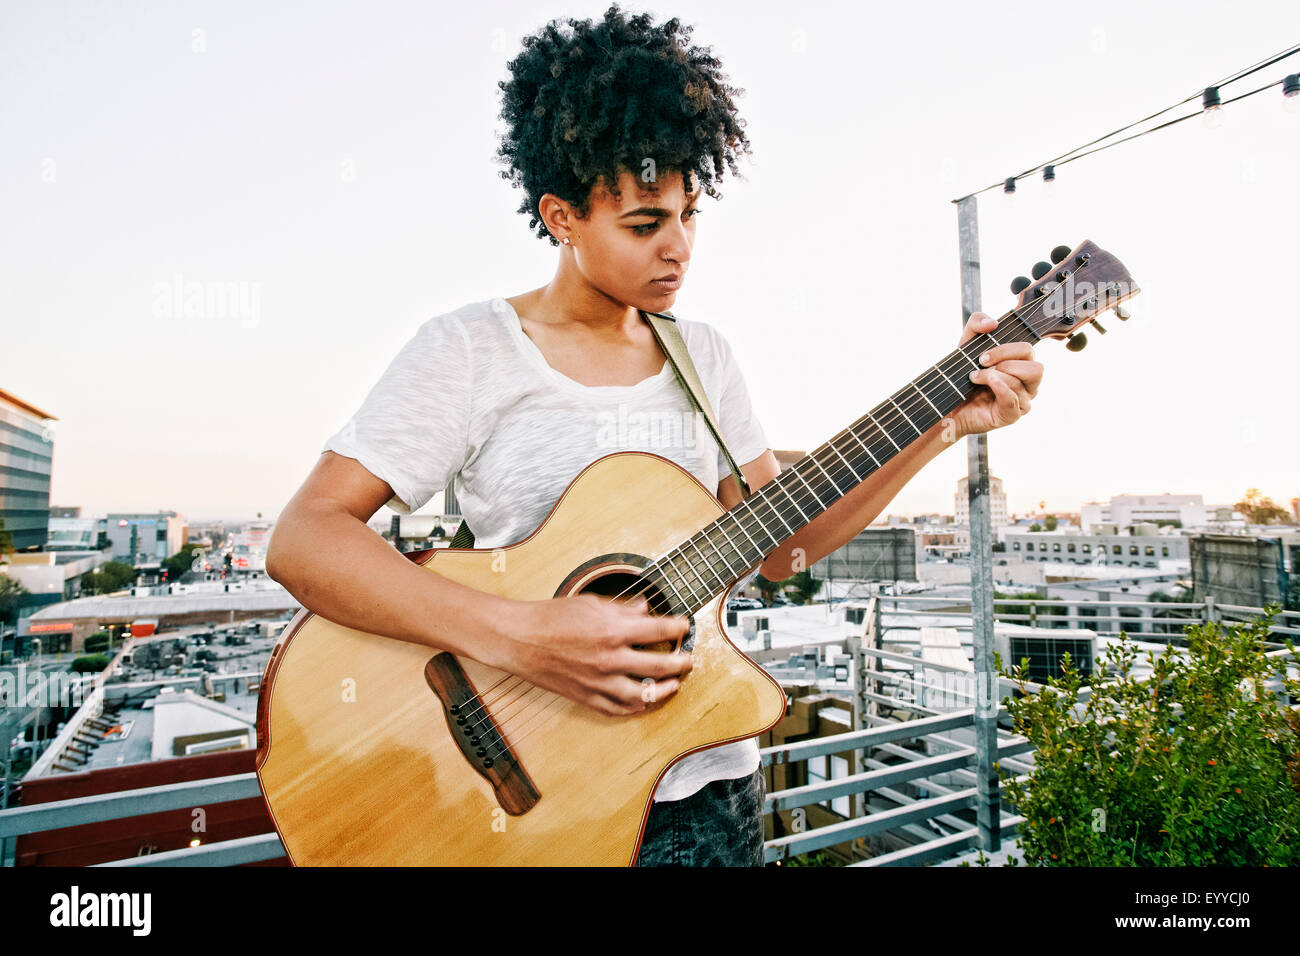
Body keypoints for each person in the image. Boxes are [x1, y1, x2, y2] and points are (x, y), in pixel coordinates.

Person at [265, 4, 1042, 867]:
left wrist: (941, 424)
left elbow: (781, 549)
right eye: (644, 223)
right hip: (542, 815)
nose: (679, 249)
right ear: (561, 216)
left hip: (708, 801)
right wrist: (519, 633)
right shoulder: (469, 349)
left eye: (690, 213)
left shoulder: (705, 356)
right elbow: (305, 540)